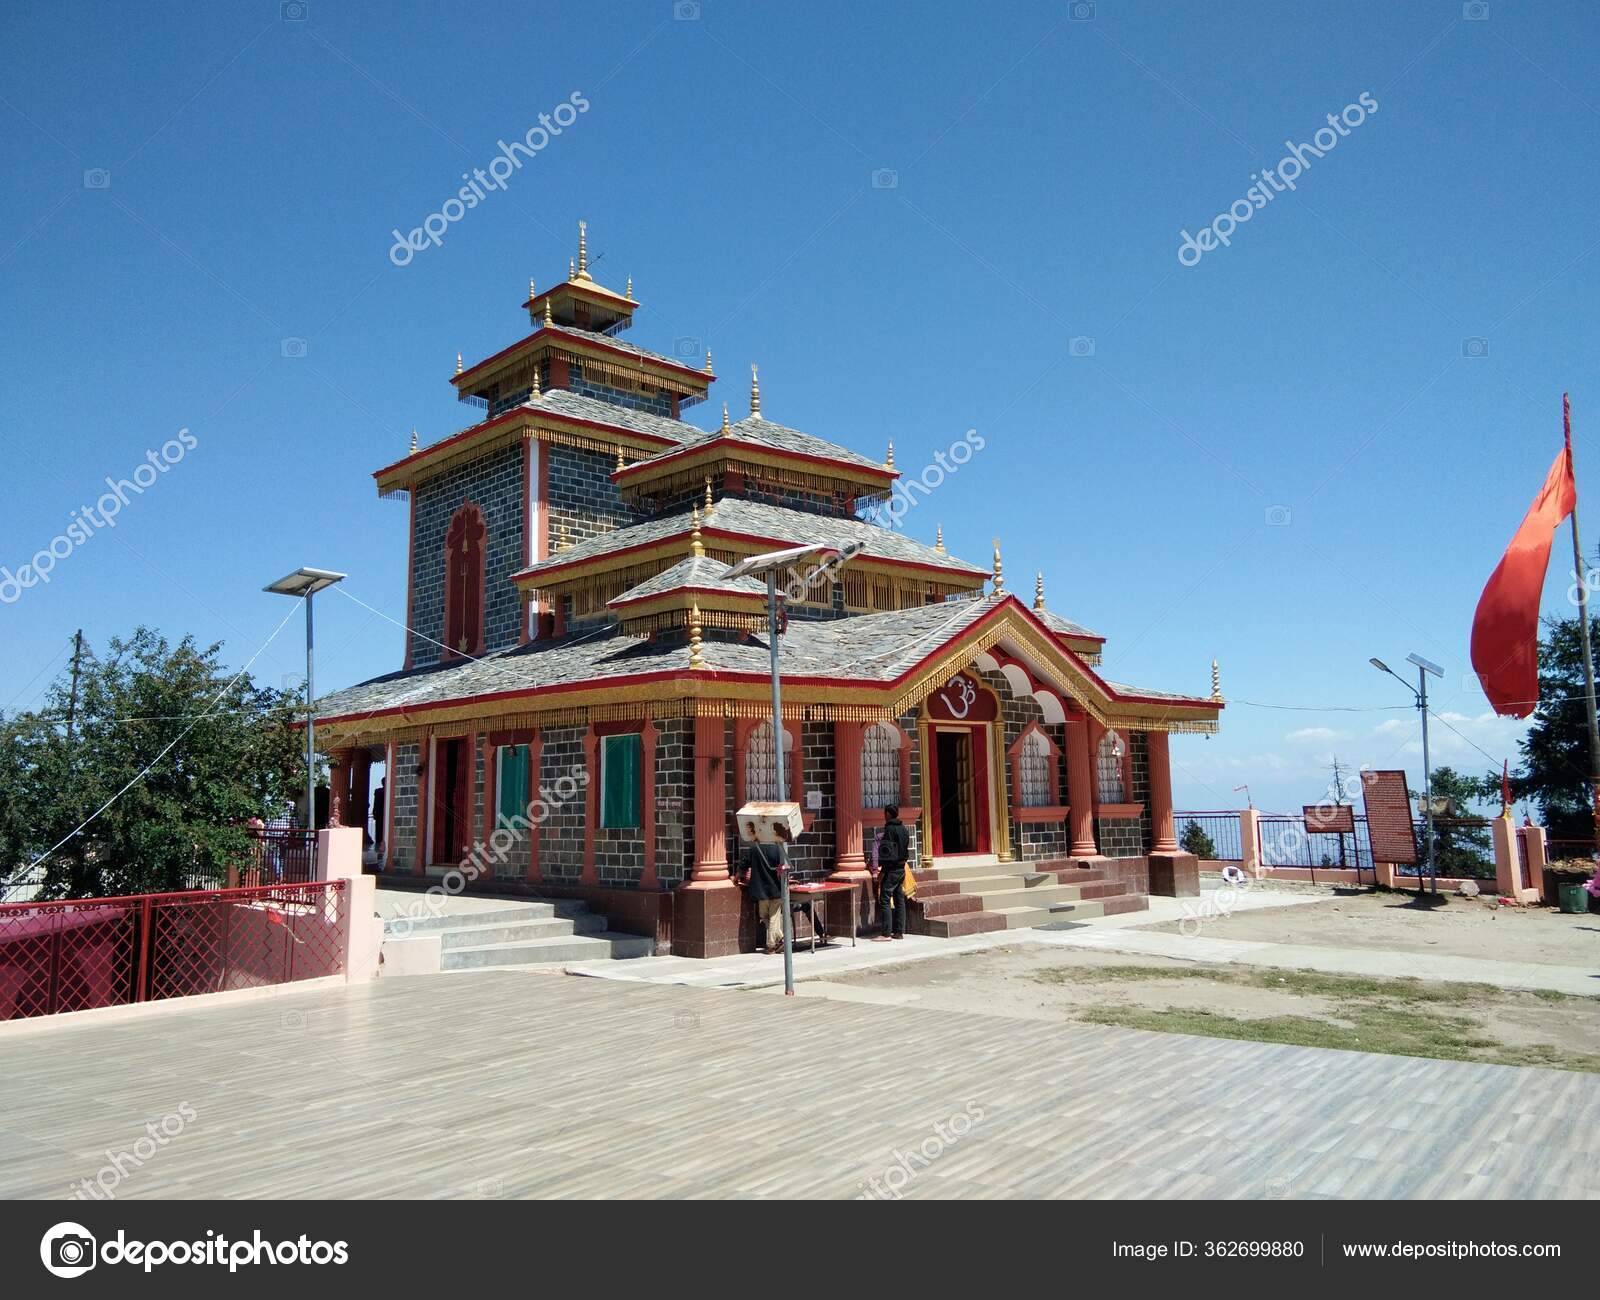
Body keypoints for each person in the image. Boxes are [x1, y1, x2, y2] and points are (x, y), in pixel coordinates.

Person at [738, 839, 785, 954]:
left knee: (766, 917)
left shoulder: (754, 849)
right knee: (770, 917)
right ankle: (781, 939)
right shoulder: (778, 850)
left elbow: (743, 865)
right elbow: (785, 868)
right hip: (776, 889)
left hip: (761, 891)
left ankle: (771, 946)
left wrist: (735, 878)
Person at [873, 803, 911, 941]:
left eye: (885, 813)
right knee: (899, 898)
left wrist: (882, 872)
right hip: (902, 867)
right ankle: (899, 932)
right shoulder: (903, 829)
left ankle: (886, 933)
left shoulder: (890, 829)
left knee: (885, 898)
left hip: (891, 869)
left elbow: (887, 852)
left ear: (888, 814)